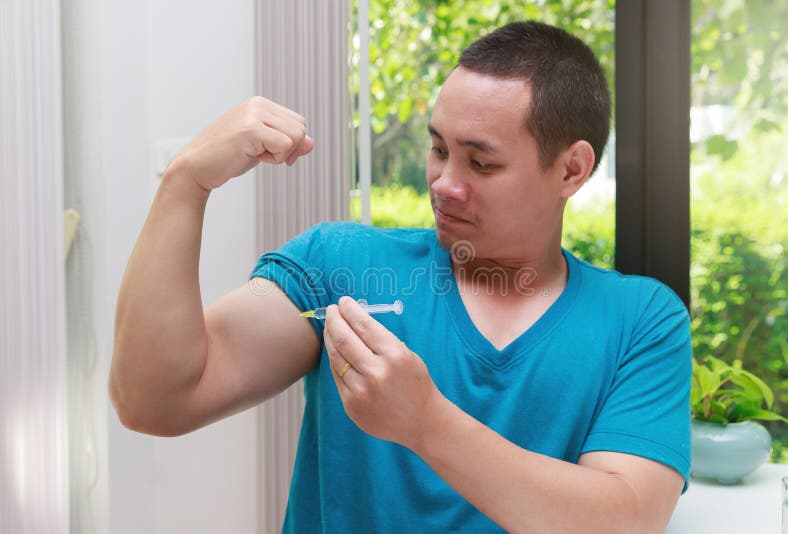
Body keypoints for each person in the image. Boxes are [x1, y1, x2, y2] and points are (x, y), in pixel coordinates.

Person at [110, 20, 691, 533]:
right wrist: (185, 182)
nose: (443, 183)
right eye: (439, 150)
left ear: (571, 169)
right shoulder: (336, 263)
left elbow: (627, 521)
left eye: (480, 162)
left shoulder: (640, 320)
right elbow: (155, 400)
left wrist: (426, 423)